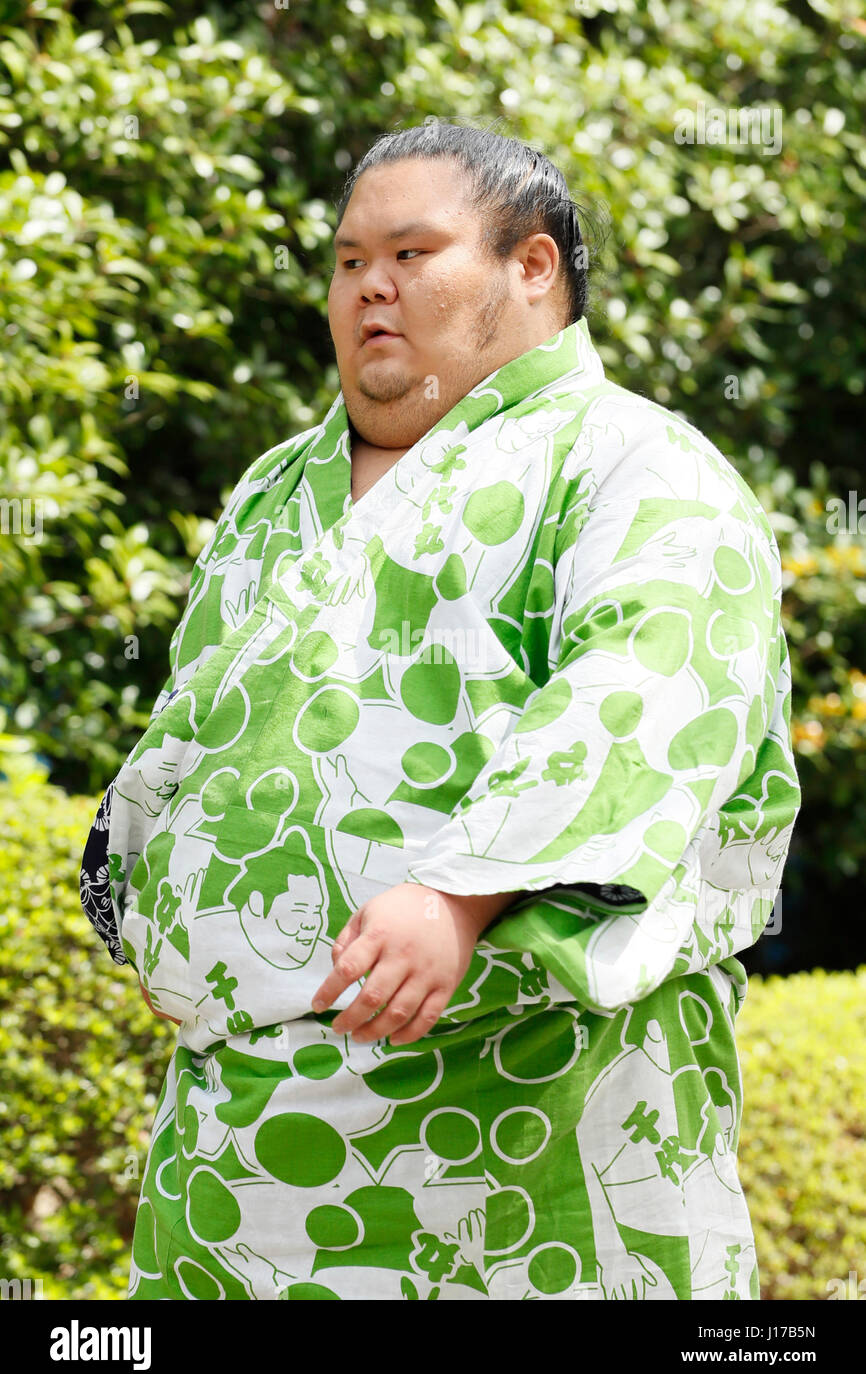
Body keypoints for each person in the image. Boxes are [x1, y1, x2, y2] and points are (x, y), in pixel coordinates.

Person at [80, 121, 801, 1301]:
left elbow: (650, 687)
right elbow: (196, 724)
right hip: (236, 1143)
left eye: (412, 253)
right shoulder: (274, 487)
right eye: (349, 259)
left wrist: (462, 890)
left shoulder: (632, 462)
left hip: (515, 1121)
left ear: (533, 268)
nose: (371, 284)